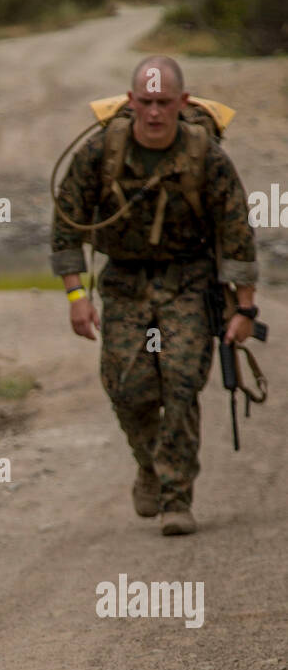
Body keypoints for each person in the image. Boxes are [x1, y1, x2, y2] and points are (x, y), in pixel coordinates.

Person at [50, 54, 258, 536]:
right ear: (130, 102)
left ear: (183, 103)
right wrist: (76, 297)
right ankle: (149, 464)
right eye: (145, 102)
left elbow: (237, 233)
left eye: (165, 102)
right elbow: (65, 227)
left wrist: (245, 307)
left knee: (180, 387)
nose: (155, 112)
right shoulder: (101, 151)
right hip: (124, 283)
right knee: (128, 389)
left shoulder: (206, 155)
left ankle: (175, 497)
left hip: (189, 282)